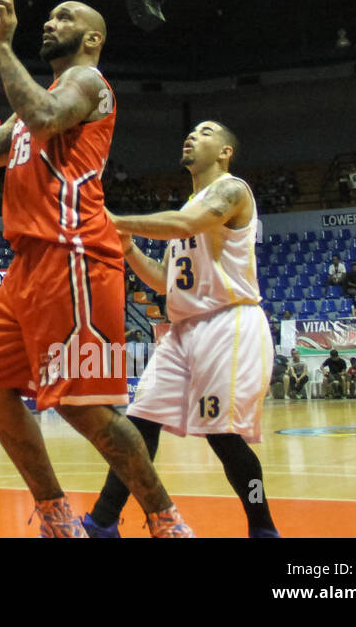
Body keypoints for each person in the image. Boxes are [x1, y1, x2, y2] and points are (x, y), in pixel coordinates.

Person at [0, 0, 191, 537]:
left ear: (93, 38)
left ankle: (165, 520)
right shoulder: (33, 104)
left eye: (66, 17)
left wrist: (1, 46)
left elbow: (47, 116)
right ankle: (56, 515)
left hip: (74, 254)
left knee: (84, 408)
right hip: (27, 263)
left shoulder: (91, 85)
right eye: (50, 16)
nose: (51, 22)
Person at [84, 122, 277, 538]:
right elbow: (164, 282)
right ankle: (100, 522)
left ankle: (263, 529)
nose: (191, 136)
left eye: (204, 133)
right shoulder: (187, 207)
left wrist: (118, 220)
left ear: (225, 151)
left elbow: (186, 225)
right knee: (138, 425)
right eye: (189, 132)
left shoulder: (232, 191)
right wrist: (129, 248)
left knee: (222, 436)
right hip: (182, 329)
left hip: (228, 323)